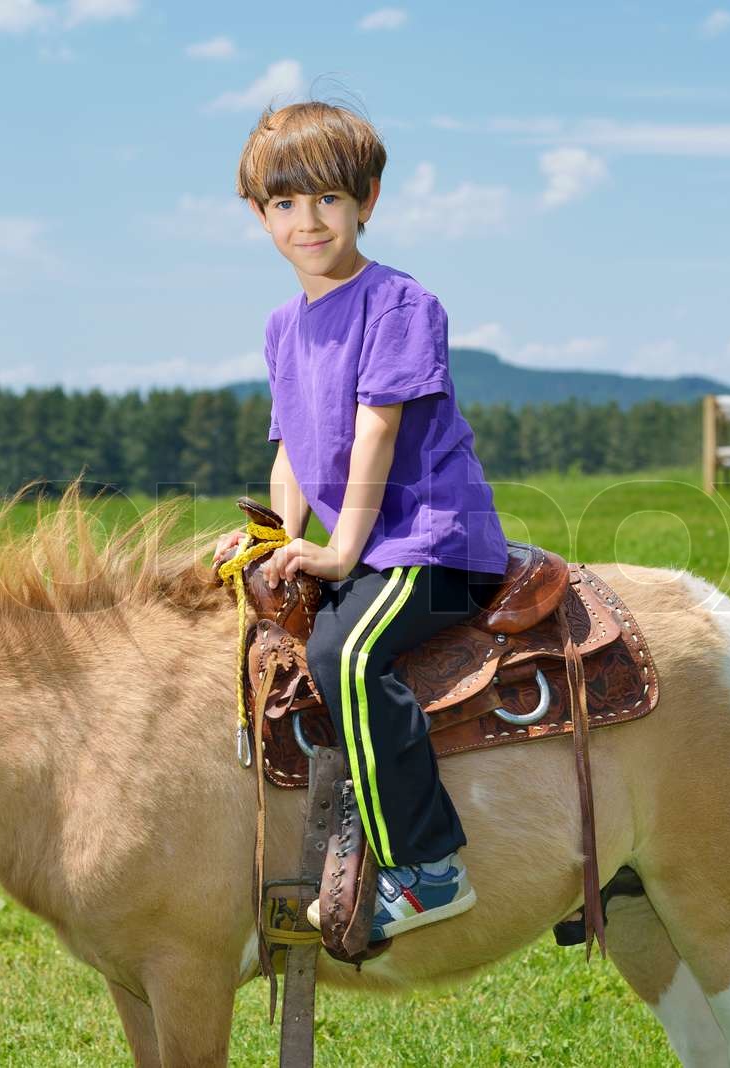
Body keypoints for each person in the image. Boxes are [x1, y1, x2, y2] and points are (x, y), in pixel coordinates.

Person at [211, 101, 508, 942]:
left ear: (368, 198)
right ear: (259, 214)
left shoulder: (401, 304)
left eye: (329, 201)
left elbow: (375, 433)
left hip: (426, 539)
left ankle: (426, 868)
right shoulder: (282, 327)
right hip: (365, 549)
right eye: (284, 204)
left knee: (345, 652)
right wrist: (272, 535)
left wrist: (341, 549)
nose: (308, 222)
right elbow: (296, 452)